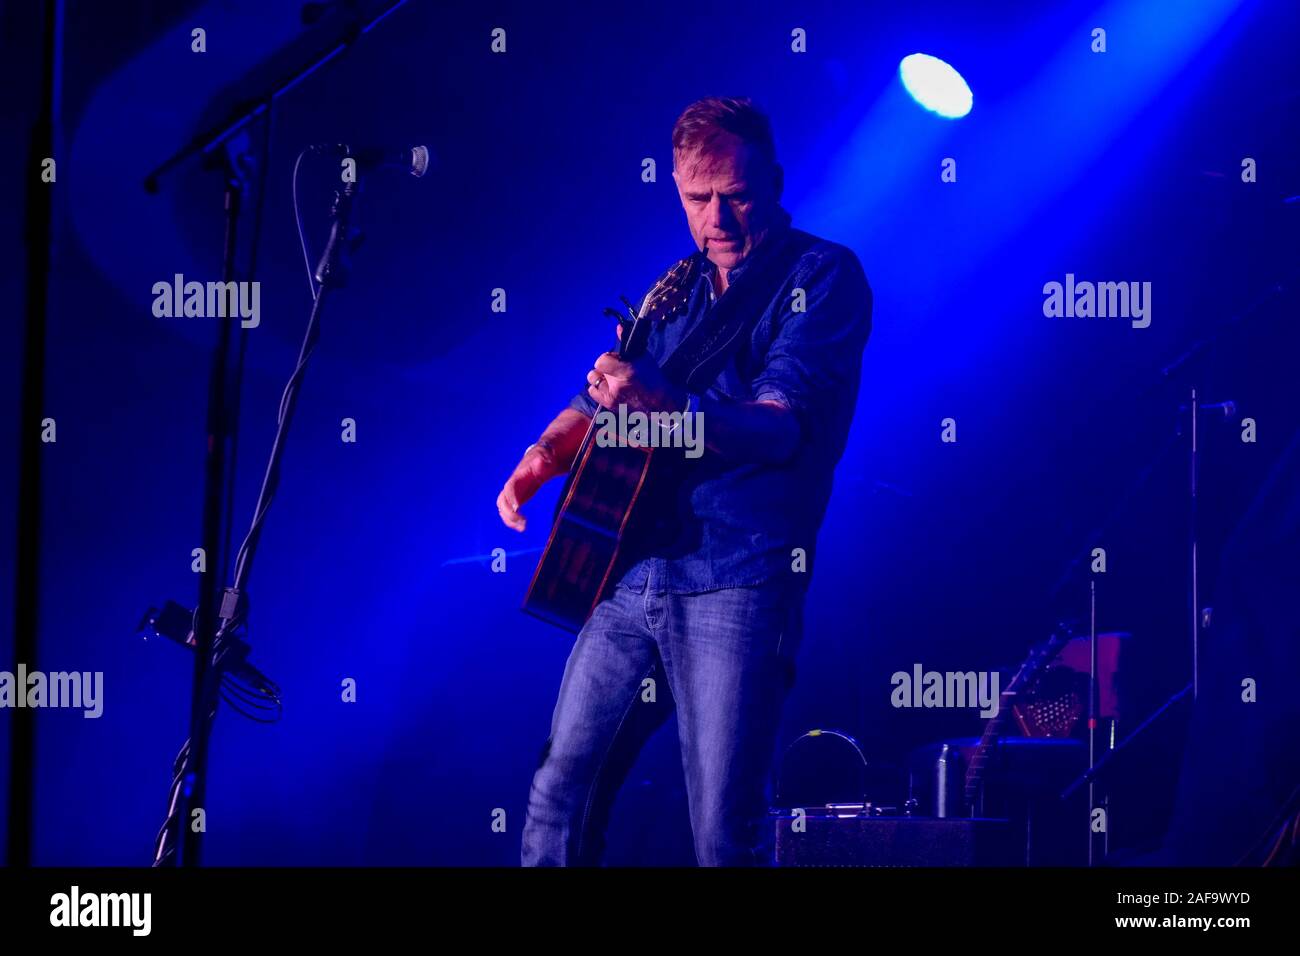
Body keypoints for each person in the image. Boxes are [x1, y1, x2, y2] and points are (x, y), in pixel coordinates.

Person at [498, 96, 873, 865]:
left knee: (724, 833)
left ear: (773, 177)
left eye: (735, 195)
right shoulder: (677, 286)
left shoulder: (822, 275)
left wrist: (666, 403)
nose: (718, 219)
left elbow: (778, 428)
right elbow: (599, 393)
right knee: (556, 795)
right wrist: (544, 453)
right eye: (698, 199)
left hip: (738, 577)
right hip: (633, 572)